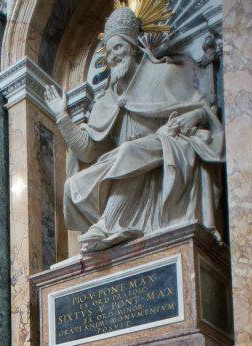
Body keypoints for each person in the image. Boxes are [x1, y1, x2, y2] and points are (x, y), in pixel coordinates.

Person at [44, 5, 224, 251]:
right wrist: (61, 115)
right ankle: (116, 227)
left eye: (117, 46)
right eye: (108, 51)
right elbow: (87, 150)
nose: (112, 56)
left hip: (167, 148)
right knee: (73, 186)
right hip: (128, 162)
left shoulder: (164, 74)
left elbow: (205, 109)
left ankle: (107, 225)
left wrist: (191, 118)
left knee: (128, 151)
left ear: (132, 45)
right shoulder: (108, 98)